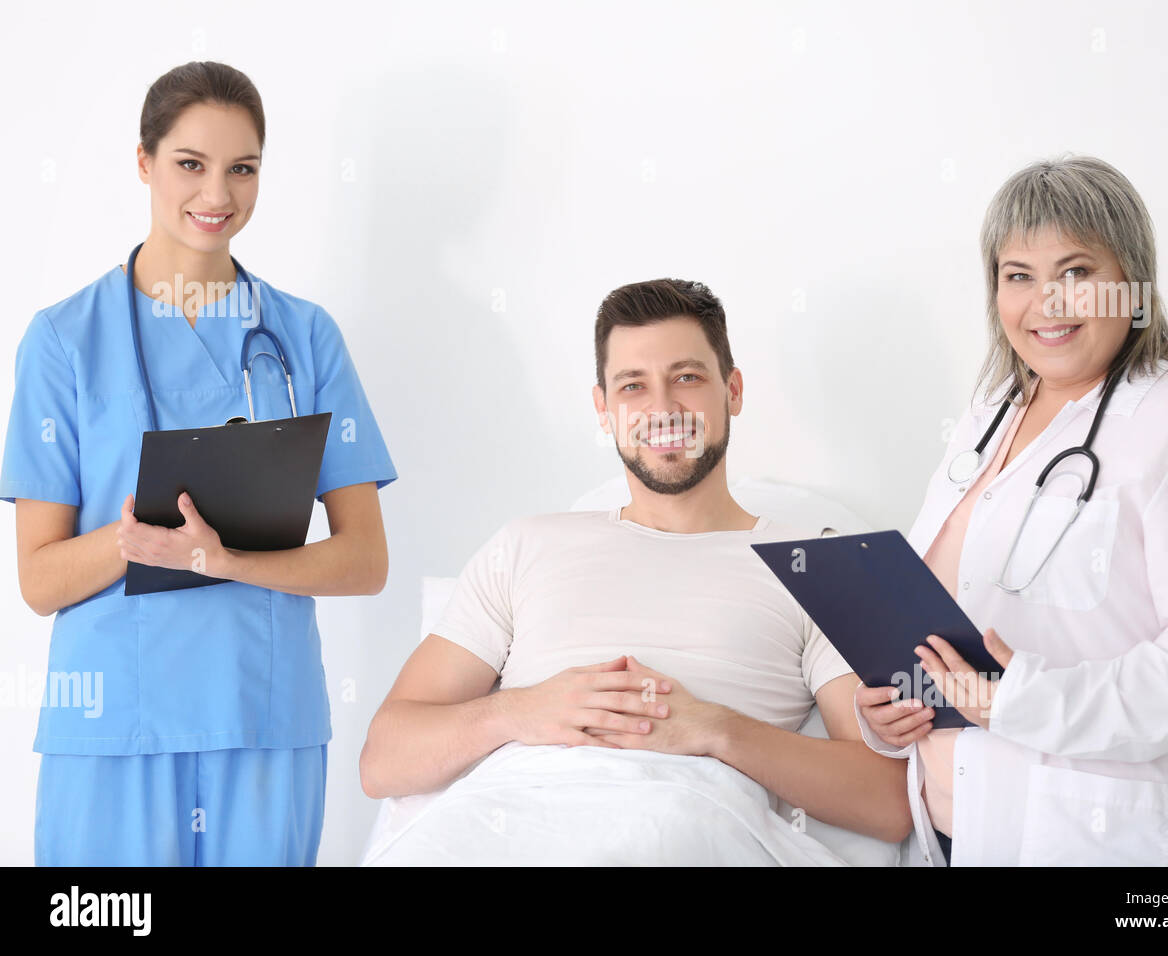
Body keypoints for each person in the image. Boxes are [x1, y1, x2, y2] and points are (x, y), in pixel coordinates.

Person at [359, 278, 910, 865]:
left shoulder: (822, 562)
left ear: (734, 390)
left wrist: (713, 730)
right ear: (604, 409)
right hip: (501, 824)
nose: (663, 409)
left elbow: (887, 801)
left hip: (683, 827)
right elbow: (383, 760)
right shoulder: (527, 545)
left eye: (687, 378)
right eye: (632, 386)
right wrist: (520, 710)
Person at [0, 61, 397, 865]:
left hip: (263, 719)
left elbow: (365, 561)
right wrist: (134, 541)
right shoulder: (64, 340)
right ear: (143, 162)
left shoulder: (304, 335)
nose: (217, 194)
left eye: (242, 169)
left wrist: (223, 560)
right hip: (112, 726)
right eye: (191, 164)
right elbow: (39, 583)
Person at [854, 155, 1168, 866]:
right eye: (1018, 276)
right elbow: (946, 610)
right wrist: (894, 709)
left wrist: (1028, 700)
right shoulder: (987, 417)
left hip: (1101, 833)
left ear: (1135, 287)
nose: (1045, 303)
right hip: (956, 830)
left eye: (1077, 273)